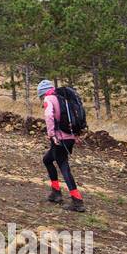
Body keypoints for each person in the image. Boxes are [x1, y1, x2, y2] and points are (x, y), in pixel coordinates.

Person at [37, 79, 83, 212]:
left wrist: (51, 134)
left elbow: (49, 116)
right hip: (70, 137)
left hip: (59, 138)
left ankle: (77, 200)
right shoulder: (64, 98)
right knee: (47, 160)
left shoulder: (49, 99)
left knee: (63, 166)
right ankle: (56, 192)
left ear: (42, 93)